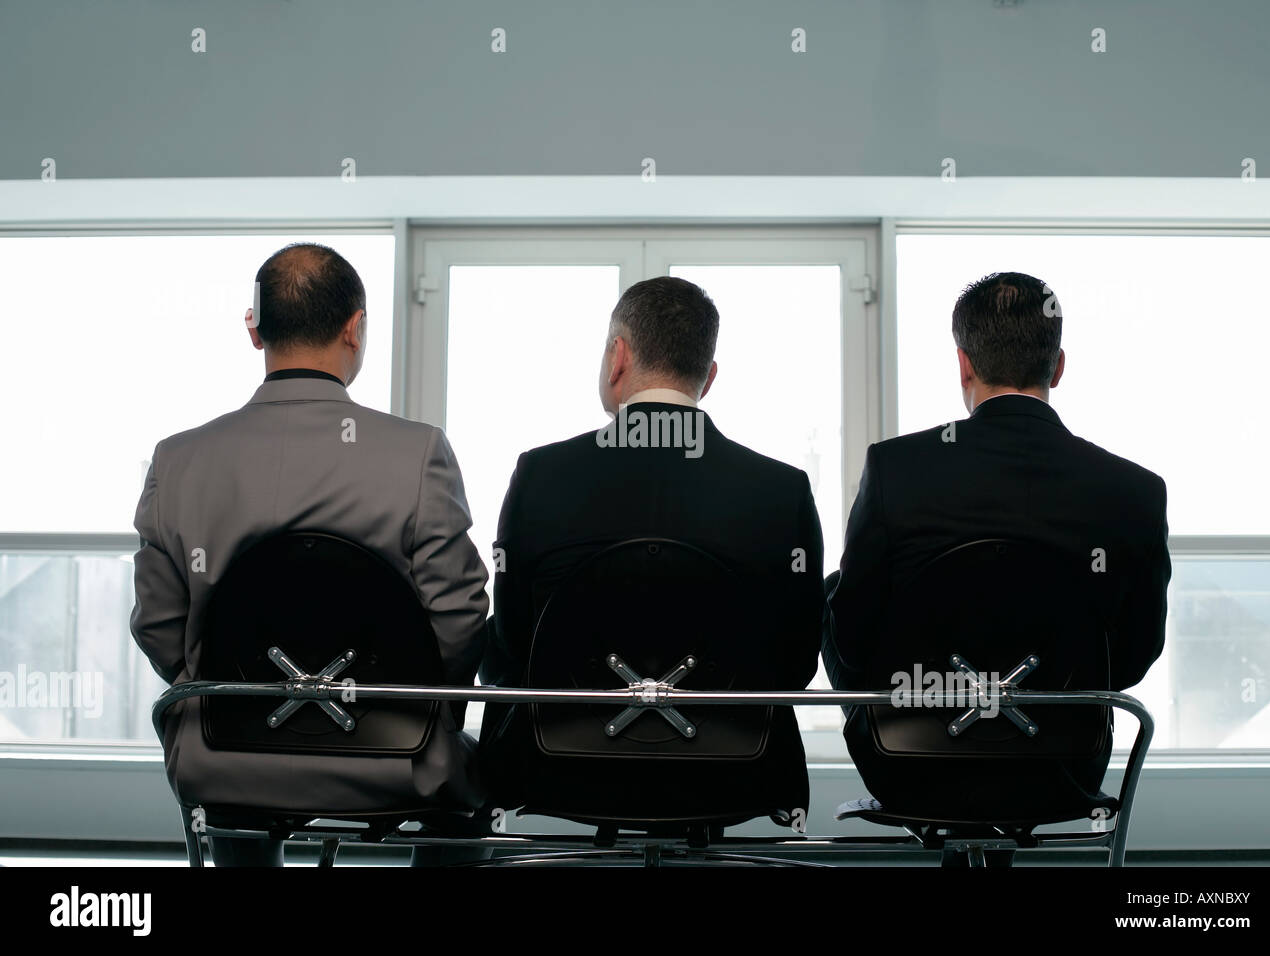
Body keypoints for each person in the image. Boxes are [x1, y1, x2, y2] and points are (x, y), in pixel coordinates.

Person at [130, 242, 489, 866]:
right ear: (355, 329)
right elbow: (458, 625)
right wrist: (415, 710)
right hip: (397, 758)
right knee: (473, 784)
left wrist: (244, 698)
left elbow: (159, 628)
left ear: (255, 331)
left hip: (226, 756)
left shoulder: (178, 460)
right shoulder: (417, 454)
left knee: (237, 802)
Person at [824, 271, 1170, 866]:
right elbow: (1134, 657)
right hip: (1060, 768)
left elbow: (852, 642)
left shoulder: (897, 470)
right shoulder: (1132, 490)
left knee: (834, 593)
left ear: (963, 364)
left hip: (910, 764)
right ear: (1058, 366)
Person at [479, 276, 824, 823]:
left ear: (618, 357)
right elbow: (798, 662)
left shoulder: (542, 476)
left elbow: (512, 644)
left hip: (561, 768)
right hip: (736, 772)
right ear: (707, 379)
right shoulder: (781, 491)